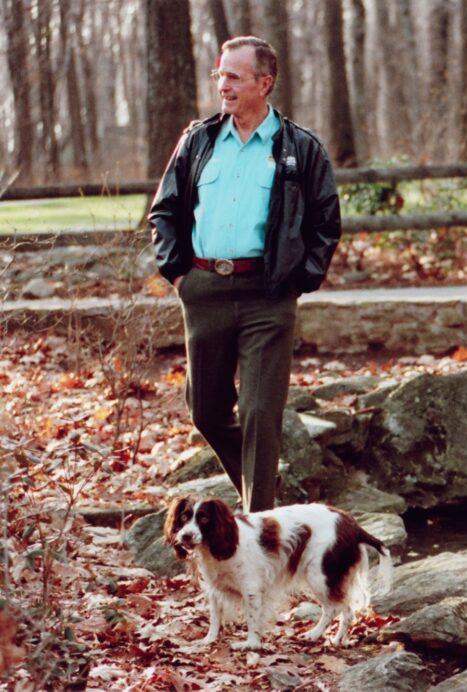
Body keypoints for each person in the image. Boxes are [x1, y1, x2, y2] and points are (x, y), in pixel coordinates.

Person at [150, 36, 341, 512]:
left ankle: (259, 526)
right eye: (220, 75)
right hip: (203, 291)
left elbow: (326, 222)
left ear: (264, 82)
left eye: (234, 76)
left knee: (259, 412)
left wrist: (298, 281)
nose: (223, 86)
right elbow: (165, 211)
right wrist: (178, 276)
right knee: (207, 412)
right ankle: (266, 496)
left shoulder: (301, 148)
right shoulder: (198, 141)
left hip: (267, 294)